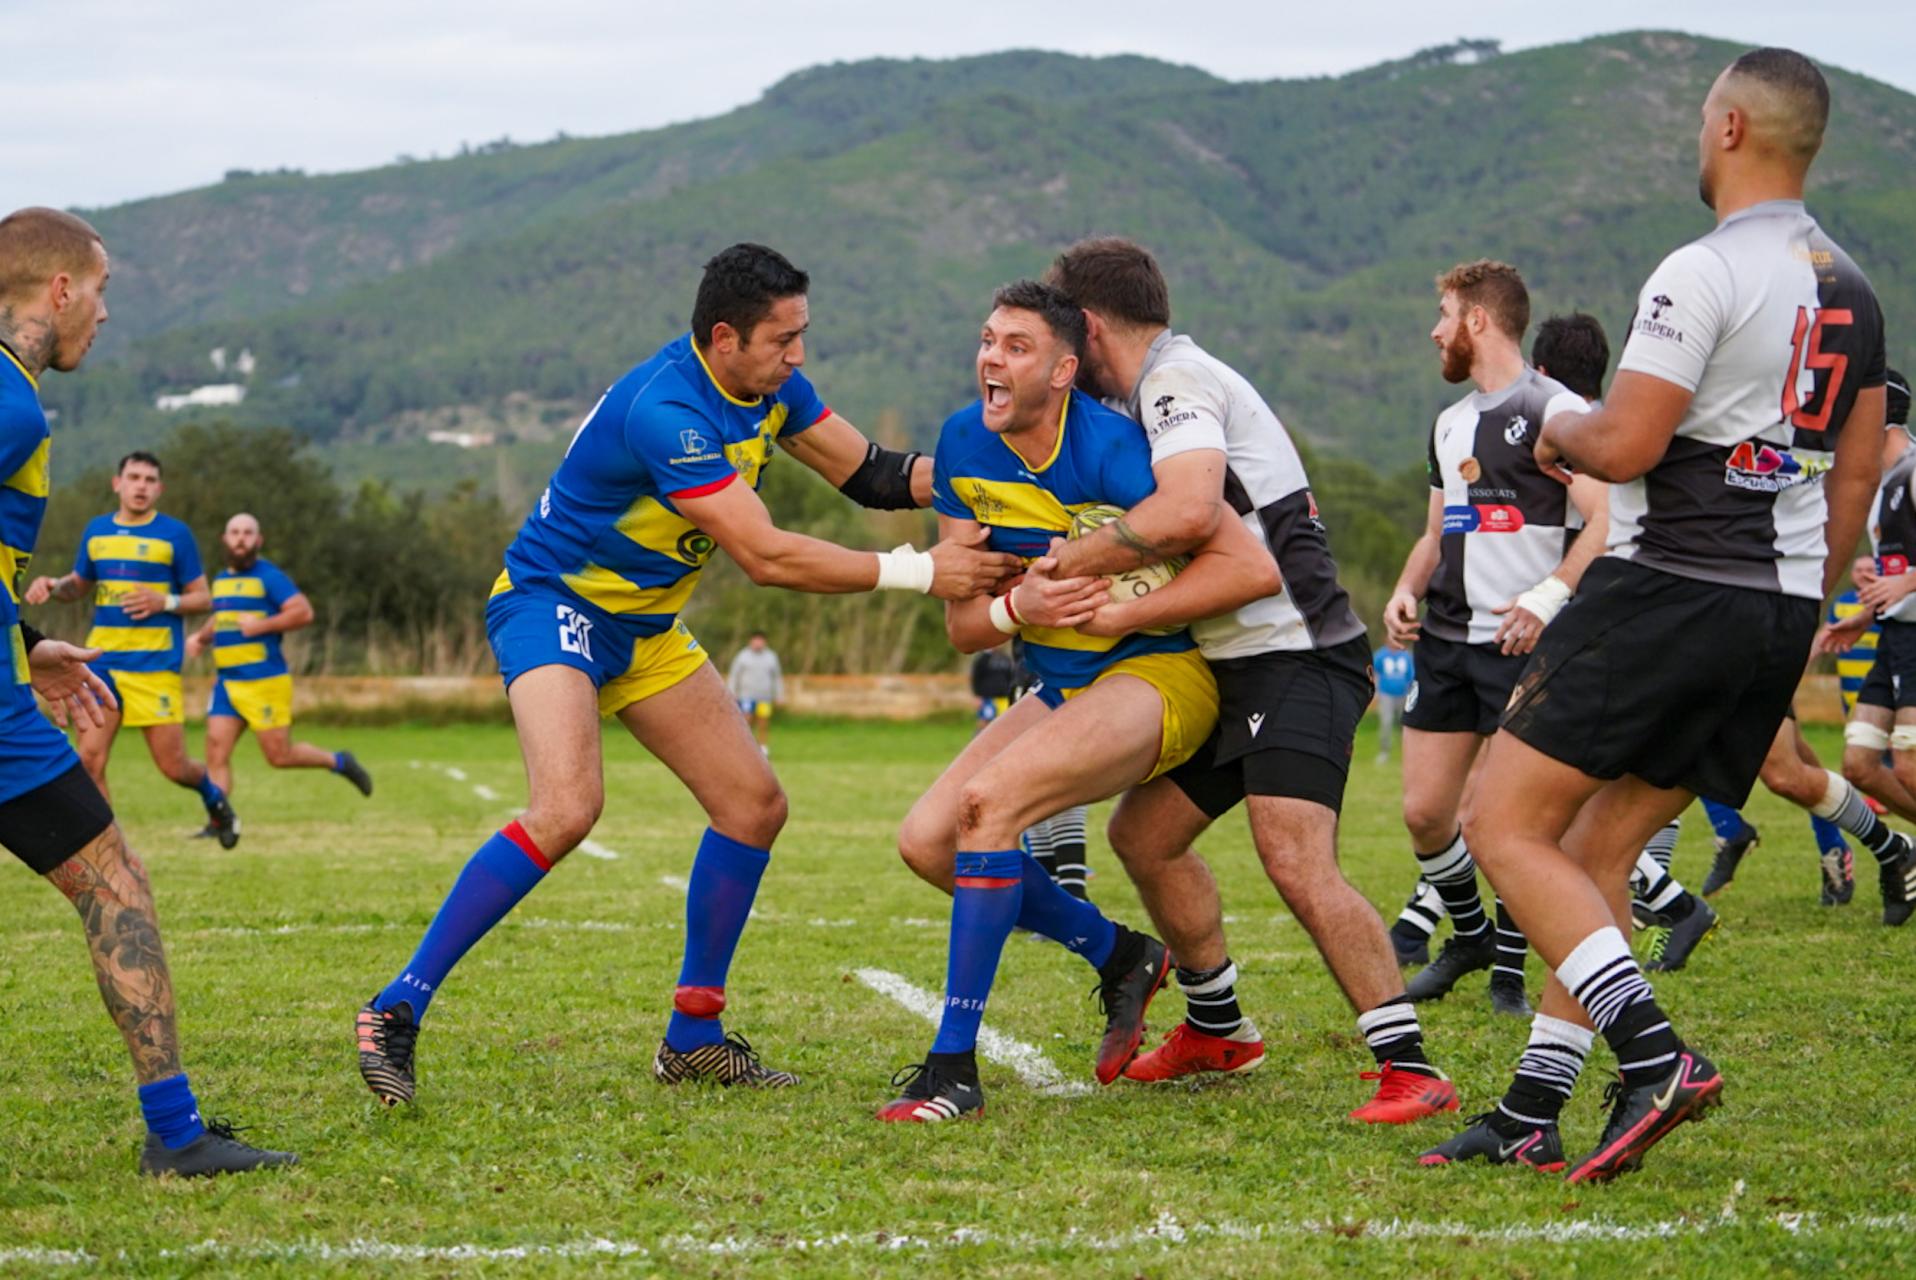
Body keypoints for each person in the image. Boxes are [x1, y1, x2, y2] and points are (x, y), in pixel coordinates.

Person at [356, 243, 1017, 1105]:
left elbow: (876, 474)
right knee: (566, 808)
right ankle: (396, 1008)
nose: (799, 356)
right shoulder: (668, 411)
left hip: (647, 627)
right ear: (723, 338)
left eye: (802, 335)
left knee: (753, 806)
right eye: (783, 340)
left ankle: (693, 1037)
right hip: (553, 603)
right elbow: (768, 555)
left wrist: (1008, 482)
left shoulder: (771, 389)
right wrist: (925, 572)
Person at [1425, 49, 1896, 1182]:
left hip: (1670, 580)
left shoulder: (1699, 268)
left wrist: (1560, 432)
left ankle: (1654, 1053)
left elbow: (1627, 441)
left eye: (1699, 122)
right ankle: (1535, 1105)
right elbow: (1852, 476)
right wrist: (1803, 605)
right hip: (1769, 607)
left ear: (1728, 127)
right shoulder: (1857, 288)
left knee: (1497, 819)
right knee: (1594, 846)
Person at [1043, 238, 1457, 1121]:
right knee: (1145, 837)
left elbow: (1191, 510)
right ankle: (1218, 1026)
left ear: (1083, 325)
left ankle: (1409, 1065)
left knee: (1296, 859)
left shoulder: (1172, 383)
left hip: (1296, 657)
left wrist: (1080, 566)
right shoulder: (1160, 388)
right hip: (1234, 666)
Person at [885, 279, 1276, 1122]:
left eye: (1016, 346)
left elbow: (1244, 565)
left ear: (1065, 369)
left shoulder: (1113, 446)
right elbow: (963, 628)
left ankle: (952, 1069)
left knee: (987, 808)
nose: (991, 357)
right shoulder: (962, 442)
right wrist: (1017, 609)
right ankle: (1121, 953)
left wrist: (1117, 598)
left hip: (1161, 674)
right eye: (987, 339)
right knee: (925, 842)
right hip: (1062, 686)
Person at [0, 206, 292, 1175]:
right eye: (104, 287)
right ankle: (177, 1139)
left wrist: (29, 641)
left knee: (115, 879)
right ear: (58, 291)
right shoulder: (9, 403)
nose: (108, 311)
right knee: (116, 886)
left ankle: (178, 1132)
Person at [1382, 261, 1608, 1017]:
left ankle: (1514, 970)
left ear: (1478, 321)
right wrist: (1406, 588)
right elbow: (1438, 529)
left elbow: (1608, 520)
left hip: (1521, 648)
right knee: (1424, 813)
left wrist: (1548, 597)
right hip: (1444, 641)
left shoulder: (1557, 408)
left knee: (1505, 822)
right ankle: (1473, 934)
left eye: (1445, 314)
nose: (1435, 330)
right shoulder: (1449, 422)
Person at [25, 452, 238, 846]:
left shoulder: (175, 535)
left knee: (173, 767)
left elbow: (205, 598)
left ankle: (216, 802)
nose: (141, 485)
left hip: (154, 667)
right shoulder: (97, 531)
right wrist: (53, 587)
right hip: (102, 662)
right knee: (89, 761)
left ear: (160, 488)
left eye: (149, 479)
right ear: (117, 483)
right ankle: (113, 850)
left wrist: (165, 602)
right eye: (134, 477)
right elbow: (80, 585)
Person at [184, 513, 373, 814]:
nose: (241, 538)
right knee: (215, 752)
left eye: (248, 533)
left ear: (258, 541)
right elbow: (222, 617)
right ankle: (220, 822)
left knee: (279, 756)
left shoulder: (269, 577)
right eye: (235, 532)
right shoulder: (220, 580)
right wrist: (201, 638)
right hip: (227, 684)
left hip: (264, 682)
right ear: (225, 539)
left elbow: (303, 612)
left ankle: (338, 761)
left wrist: (261, 626)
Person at [1815, 365, 1916, 924]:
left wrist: (1907, 581)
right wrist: (1862, 615)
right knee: (1858, 762)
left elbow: (1908, 574)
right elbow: (1895, 573)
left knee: (1907, 766)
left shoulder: (1912, 470)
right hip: (1892, 635)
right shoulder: (1879, 485)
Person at [725, 630, 783, 753]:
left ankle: (763, 748)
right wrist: (732, 692)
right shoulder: (742, 656)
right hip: (747, 696)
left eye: (760, 640)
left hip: (764, 697)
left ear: (764, 642)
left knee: (763, 723)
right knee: (746, 722)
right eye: (756, 640)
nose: (758, 643)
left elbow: (777, 677)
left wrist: (779, 695)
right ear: (751, 641)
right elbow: (734, 676)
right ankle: (745, 747)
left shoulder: (771, 657)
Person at [1372, 640, 1412, 764]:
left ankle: (1407, 754)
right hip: (1386, 694)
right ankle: (1384, 752)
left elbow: (1411, 675)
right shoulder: (1380, 655)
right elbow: (1374, 673)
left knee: (1405, 725)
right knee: (1386, 722)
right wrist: (1375, 692)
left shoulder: (1406, 655)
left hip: (1403, 694)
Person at [968, 642, 1015, 730]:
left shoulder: (1006, 659)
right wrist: (977, 696)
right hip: (988, 698)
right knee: (985, 721)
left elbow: (1011, 677)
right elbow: (976, 678)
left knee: (1004, 722)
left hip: (1003, 698)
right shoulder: (982, 659)